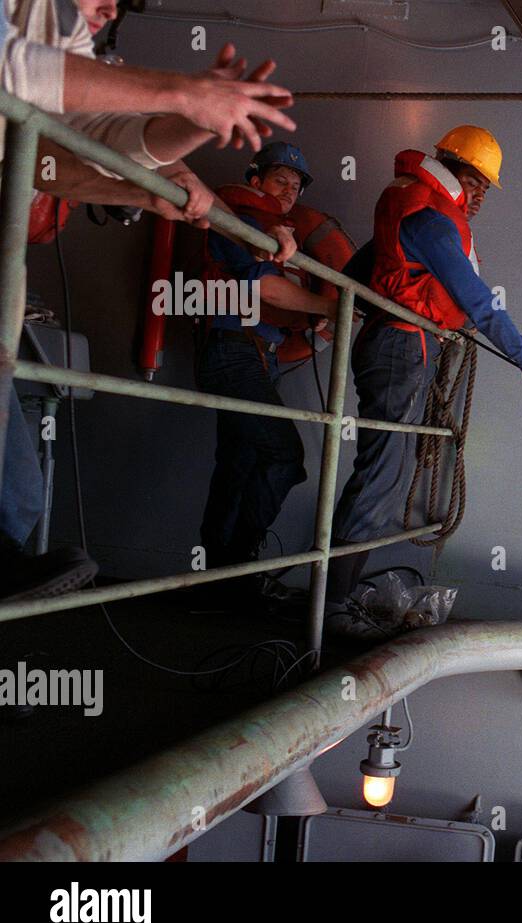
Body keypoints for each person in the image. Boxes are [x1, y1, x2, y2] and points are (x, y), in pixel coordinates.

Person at [0, 6, 295, 601]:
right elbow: (15, 71)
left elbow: (89, 136)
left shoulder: (67, 31)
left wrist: (195, 120)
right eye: (282, 182)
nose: (112, 8)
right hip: (227, 348)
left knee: (20, 499)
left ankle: (226, 575)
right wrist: (180, 93)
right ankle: (226, 578)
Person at [323, 126, 522, 638]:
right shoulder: (430, 217)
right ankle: (331, 608)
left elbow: (367, 261)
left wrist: (354, 303)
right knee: (383, 476)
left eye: (482, 190)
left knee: (385, 472)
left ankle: (336, 599)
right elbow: (475, 297)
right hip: (401, 349)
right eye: (475, 184)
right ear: (450, 167)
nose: (478, 198)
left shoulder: (409, 200)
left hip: (402, 347)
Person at [194, 142, 346, 610]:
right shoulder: (233, 222)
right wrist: (333, 306)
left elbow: (278, 300)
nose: (290, 191)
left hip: (262, 357)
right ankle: (240, 566)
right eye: (280, 180)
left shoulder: (275, 234)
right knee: (283, 456)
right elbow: (263, 286)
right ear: (254, 180)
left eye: (297, 186)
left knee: (237, 466)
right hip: (232, 351)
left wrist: (308, 320)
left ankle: (216, 582)